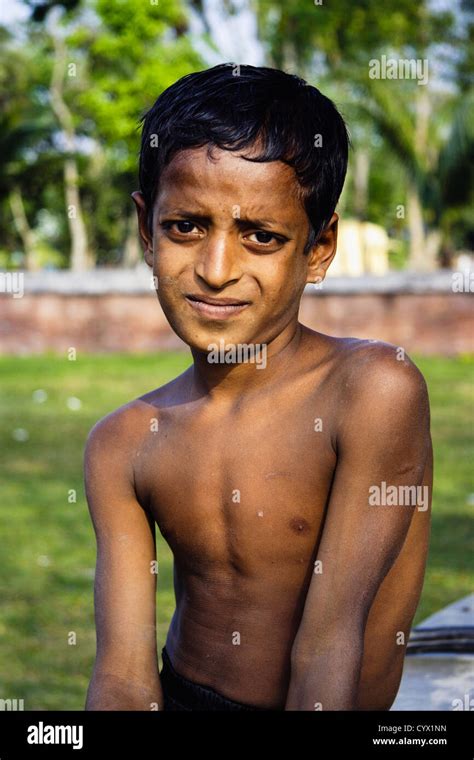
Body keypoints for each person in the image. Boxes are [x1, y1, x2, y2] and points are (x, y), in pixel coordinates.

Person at [84, 63, 432, 711]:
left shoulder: (372, 391)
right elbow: (125, 679)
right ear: (144, 229)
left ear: (320, 248)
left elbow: (327, 651)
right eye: (185, 226)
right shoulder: (122, 442)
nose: (216, 271)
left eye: (261, 237)